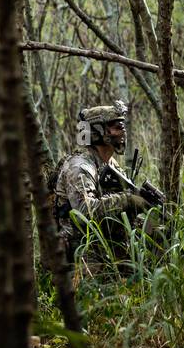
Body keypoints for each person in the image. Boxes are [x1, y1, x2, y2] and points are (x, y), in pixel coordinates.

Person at [51, 100, 151, 266]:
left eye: (122, 126)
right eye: (117, 127)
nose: (123, 132)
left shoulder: (111, 164)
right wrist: (127, 200)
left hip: (105, 242)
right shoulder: (79, 167)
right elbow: (84, 212)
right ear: (97, 131)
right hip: (79, 250)